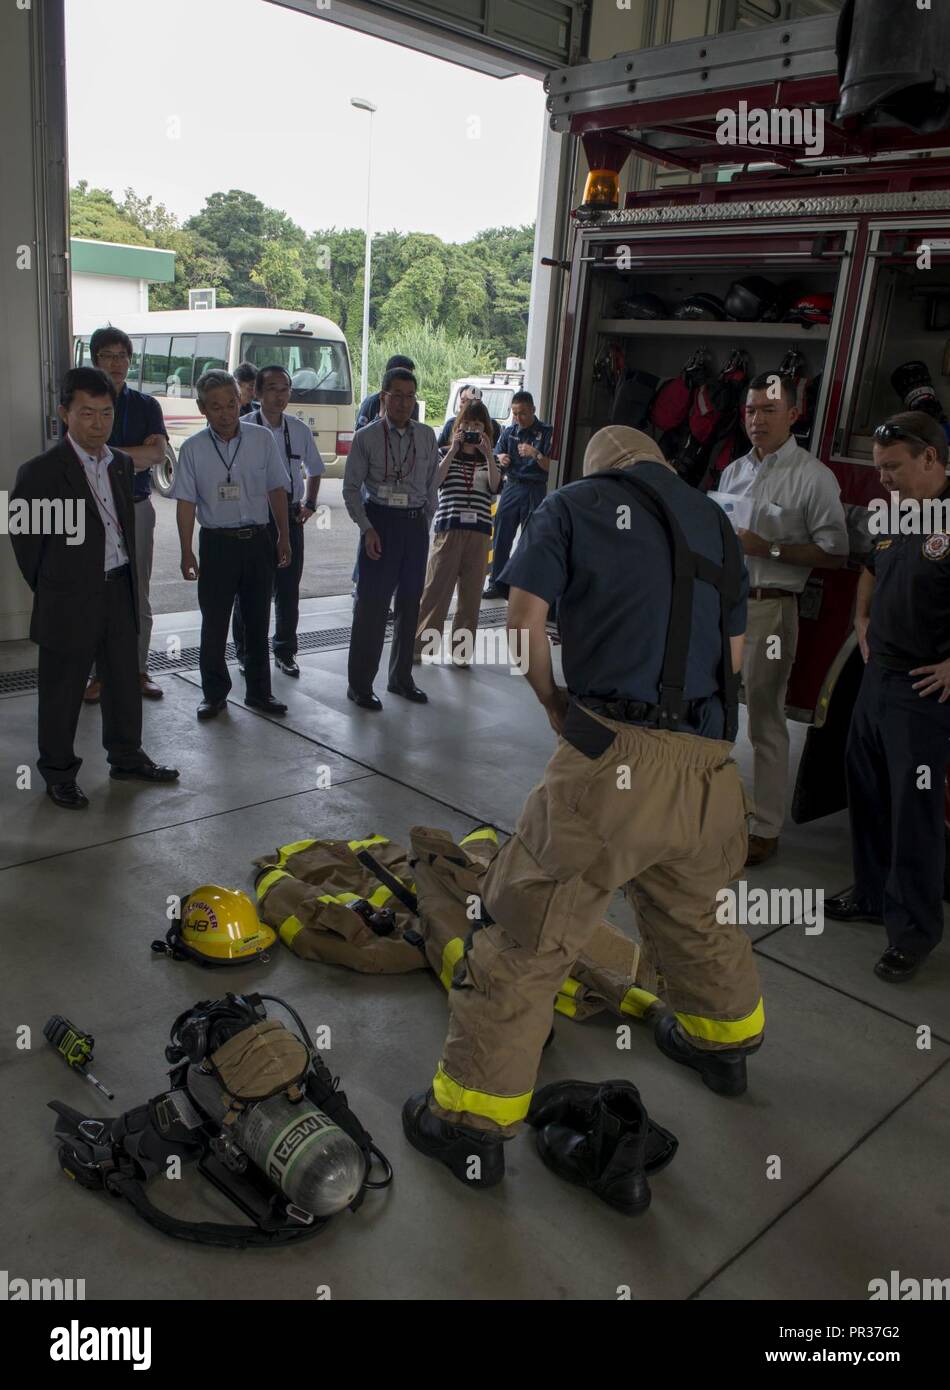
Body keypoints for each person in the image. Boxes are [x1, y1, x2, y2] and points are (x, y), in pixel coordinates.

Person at [403, 426, 762, 1189]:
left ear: (601, 468)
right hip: (708, 772)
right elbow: (733, 660)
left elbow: (524, 621)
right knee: (697, 914)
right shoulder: (716, 520)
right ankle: (722, 1046)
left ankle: (469, 1123)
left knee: (527, 934)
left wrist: (554, 702)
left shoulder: (572, 505)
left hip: (613, 764)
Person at [9, 367, 179, 809]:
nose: (98, 423)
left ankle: (126, 756)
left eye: (106, 413)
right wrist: (60, 589)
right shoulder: (40, 473)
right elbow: (28, 549)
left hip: (118, 589)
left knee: (122, 681)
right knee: (62, 689)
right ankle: (59, 772)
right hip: (69, 598)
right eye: (87, 413)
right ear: (65, 413)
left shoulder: (120, 465)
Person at [825, 412, 950, 982]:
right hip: (877, 678)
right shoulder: (894, 511)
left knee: (913, 812)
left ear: (930, 457)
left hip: (923, 690)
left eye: (894, 468)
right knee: (868, 792)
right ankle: (871, 894)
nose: (885, 480)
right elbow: (873, 563)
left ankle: (914, 932)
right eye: (879, 470)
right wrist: (862, 613)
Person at [718, 373, 848, 866]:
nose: (756, 419)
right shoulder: (733, 473)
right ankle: (717, 815)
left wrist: (767, 547)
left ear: (794, 414)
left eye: (768, 410)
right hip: (728, 610)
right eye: (751, 410)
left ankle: (766, 828)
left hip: (773, 611)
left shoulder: (813, 477)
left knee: (767, 722)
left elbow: (836, 554)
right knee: (716, 715)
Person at [169, 369, 292, 720]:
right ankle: (214, 694)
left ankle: (259, 692)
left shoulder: (261, 439)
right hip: (217, 545)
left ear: (240, 401)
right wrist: (185, 550)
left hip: (257, 541)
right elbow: (186, 504)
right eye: (216, 407)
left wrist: (283, 535)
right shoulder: (192, 449)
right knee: (214, 623)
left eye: (230, 405)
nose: (225, 414)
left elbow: (276, 489)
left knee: (257, 621)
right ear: (202, 409)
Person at [343, 367, 440, 708]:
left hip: (414, 525)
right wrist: (367, 527)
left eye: (409, 396)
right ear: (383, 397)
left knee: (410, 604)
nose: (403, 403)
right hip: (380, 524)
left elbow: (432, 484)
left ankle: (400, 678)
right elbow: (351, 489)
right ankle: (360, 685)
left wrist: (425, 521)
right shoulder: (366, 437)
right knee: (372, 608)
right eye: (396, 395)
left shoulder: (427, 435)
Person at [82, 326, 168, 704]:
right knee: (95, 591)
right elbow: (83, 456)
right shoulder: (83, 403)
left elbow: (156, 456)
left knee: (138, 591)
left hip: (136, 509)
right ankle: (98, 675)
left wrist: (111, 452)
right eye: (108, 355)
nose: (116, 363)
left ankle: (138, 671)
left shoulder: (147, 406)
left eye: (123, 356)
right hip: (93, 511)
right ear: (94, 359)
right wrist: (133, 453)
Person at [231, 365, 324, 677]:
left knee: (288, 589)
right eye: (271, 388)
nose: (278, 395)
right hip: (253, 518)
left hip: (291, 515)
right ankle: (245, 653)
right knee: (250, 590)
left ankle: (284, 650)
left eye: (284, 388)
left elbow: (315, 467)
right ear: (257, 393)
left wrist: (310, 502)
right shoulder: (241, 427)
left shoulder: (298, 429)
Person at [415, 399, 501, 667]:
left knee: (471, 596)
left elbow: (496, 487)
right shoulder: (444, 453)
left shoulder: (491, 459)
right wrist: (453, 450)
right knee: (435, 591)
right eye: (467, 423)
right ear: (458, 425)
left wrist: (488, 455)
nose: (472, 428)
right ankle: (421, 648)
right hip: (449, 529)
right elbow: (434, 483)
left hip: (479, 533)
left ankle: (461, 654)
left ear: (485, 430)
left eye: (478, 424)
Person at [483, 390, 553, 598]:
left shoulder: (547, 432)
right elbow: (496, 455)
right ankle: (496, 582)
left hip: (535, 488)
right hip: (512, 486)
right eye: (514, 413)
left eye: (522, 413)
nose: (517, 418)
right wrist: (501, 457)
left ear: (532, 410)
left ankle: (523, 586)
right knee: (502, 536)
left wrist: (536, 454)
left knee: (530, 539)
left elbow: (553, 467)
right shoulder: (509, 431)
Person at [355, 355, 419, 430]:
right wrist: (381, 416)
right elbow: (359, 433)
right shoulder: (371, 402)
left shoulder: (413, 405)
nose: (404, 404)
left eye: (409, 376)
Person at [436, 385, 500, 451]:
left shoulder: (494, 426)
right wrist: (453, 447)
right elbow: (437, 450)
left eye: (470, 401)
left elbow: (494, 451)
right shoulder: (451, 424)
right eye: (463, 401)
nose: (466, 406)